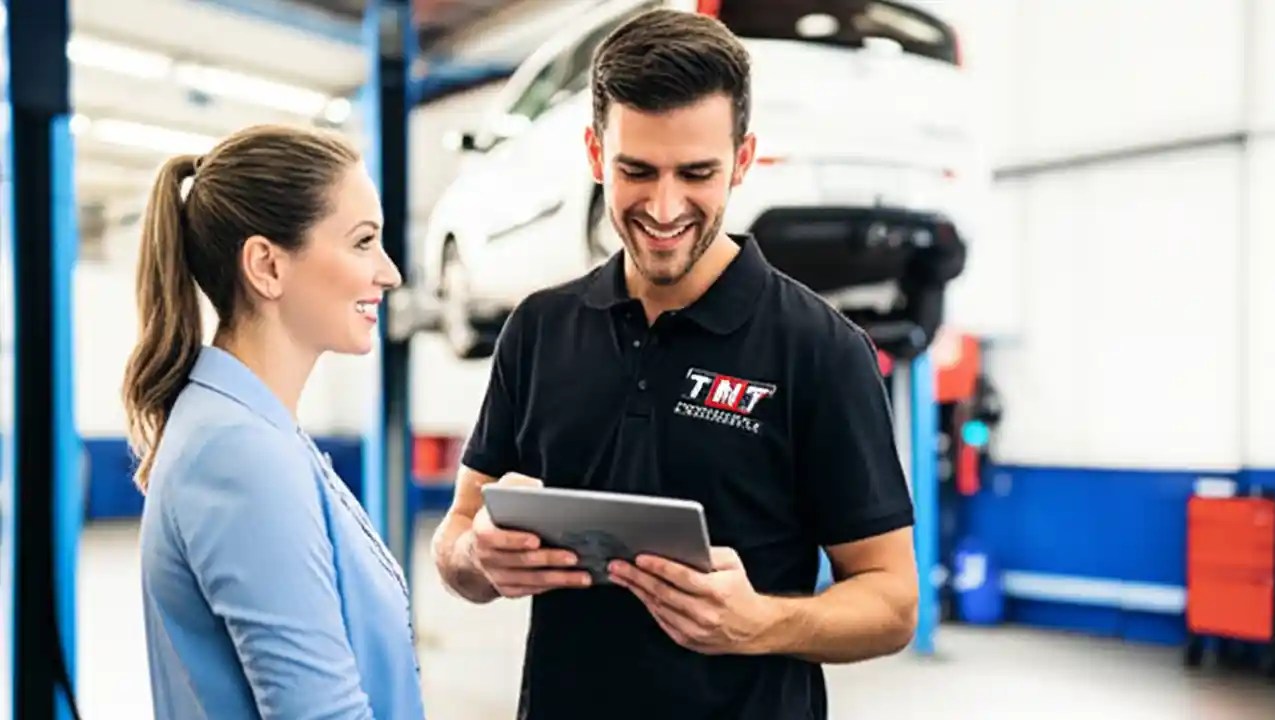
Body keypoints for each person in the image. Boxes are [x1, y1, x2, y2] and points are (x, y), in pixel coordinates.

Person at [431, 8, 919, 720]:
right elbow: (456, 536)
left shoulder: (821, 349)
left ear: (742, 161)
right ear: (597, 156)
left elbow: (892, 600)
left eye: (697, 173)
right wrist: (478, 559)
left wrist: (761, 623)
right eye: (636, 171)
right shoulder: (537, 330)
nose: (664, 208)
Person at [124, 124, 425, 719]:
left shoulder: (250, 432)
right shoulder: (239, 454)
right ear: (266, 266)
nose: (388, 273)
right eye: (363, 242)